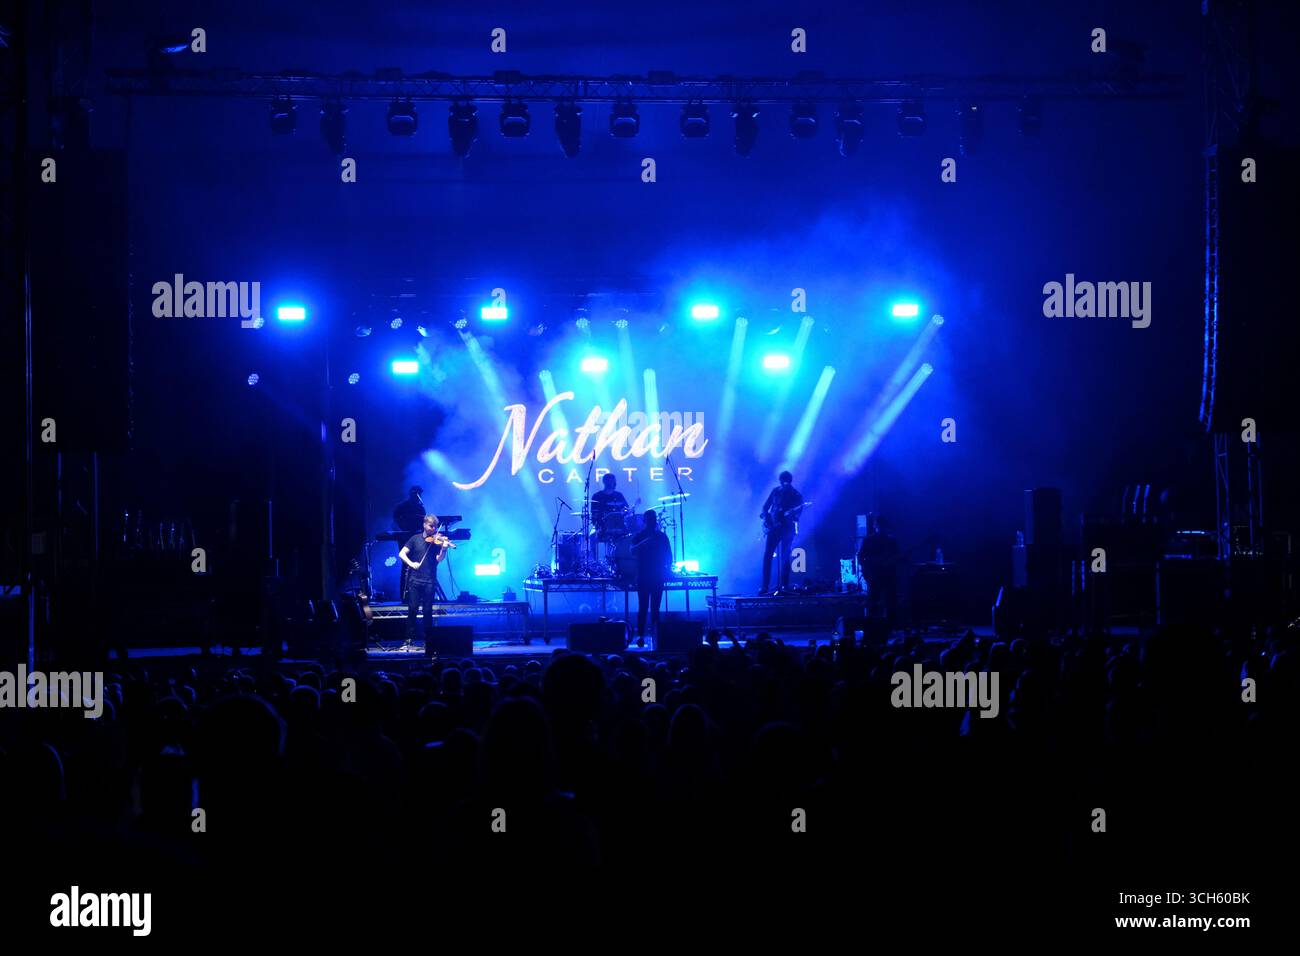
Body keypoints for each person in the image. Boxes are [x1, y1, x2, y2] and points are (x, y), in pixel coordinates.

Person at [398, 514, 449, 650]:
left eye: (435, 526)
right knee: (412, 610)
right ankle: (408, 640)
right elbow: (402, 554)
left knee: (427, 611)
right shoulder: (414, 539)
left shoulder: (436, 542)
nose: (434, 529)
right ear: (424, 525)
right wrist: (410, 563)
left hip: (429, 581)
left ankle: (429, 640)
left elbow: (439, 559)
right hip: (414, 581)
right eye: (431, 526)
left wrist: (444, 548)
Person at [629, 509, 673, 647]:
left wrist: (667, 568)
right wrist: (645, 543)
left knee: (655, 608)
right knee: (643, 607)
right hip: (643, 575)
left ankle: (655, 635)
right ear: (645, 521)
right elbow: (632, 550)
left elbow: (669, 556)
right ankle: (641, 635)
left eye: (653, 520)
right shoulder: (640, 536)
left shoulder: (662, 536)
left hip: (657, 575)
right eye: (649, 520)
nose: (651, 522)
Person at [759, 471, 804, 594]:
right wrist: (766, 519)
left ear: (790, 482)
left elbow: (798, 513)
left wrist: (793, 515)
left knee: (785, 556)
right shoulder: (775, 491)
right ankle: (764, 586)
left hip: (787, 528)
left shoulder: (796, 495)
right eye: (782, 482)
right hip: (773, 528)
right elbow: (765, 507)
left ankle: (784, 585)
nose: (784, 484)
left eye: (786, 482)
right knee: (767, 555)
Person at [857, 514, 900, 626]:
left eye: (883, 526)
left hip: (887, 574)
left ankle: (888, 626)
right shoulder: (869, 540)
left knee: (889, 601)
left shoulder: (891, 541)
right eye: (880, 525)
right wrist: (866, 570)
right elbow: (861, 556)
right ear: (876, 526)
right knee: (874, 601)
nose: (881, 528)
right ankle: (871, 625)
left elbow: (897, 557)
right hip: (875, 575)